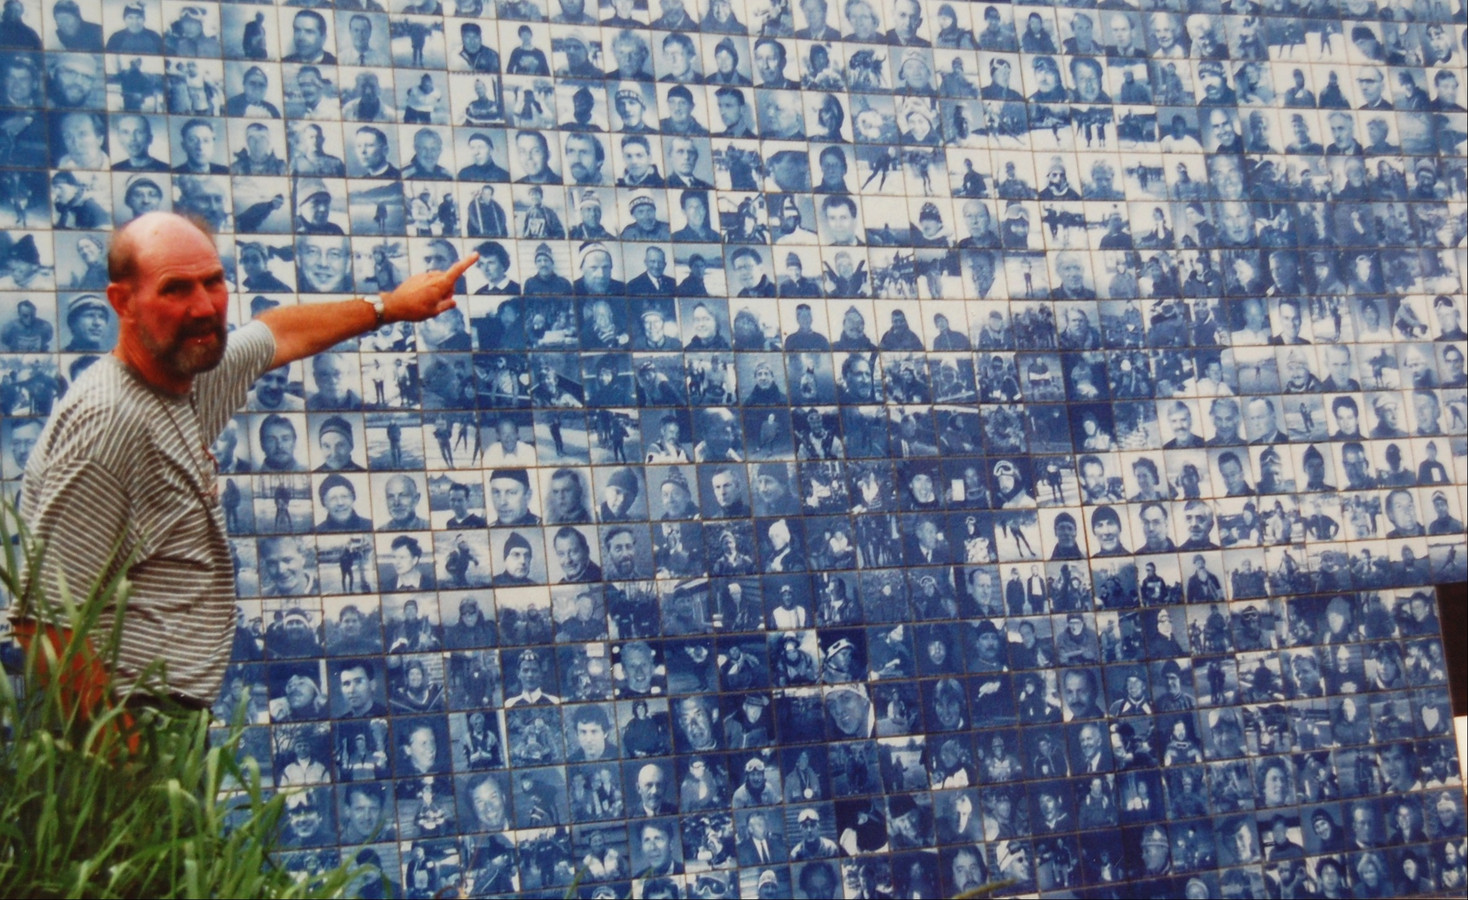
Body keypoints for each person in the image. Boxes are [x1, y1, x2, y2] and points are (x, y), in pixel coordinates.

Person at [13, 212, 476, 713]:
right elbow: (44, 625)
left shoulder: (183, 375)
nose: (203, 306)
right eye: (175, 289)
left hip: (165, 716)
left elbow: (276, 333)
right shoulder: (109, 422)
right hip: (122, 721)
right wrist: (119, 746)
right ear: (123, 302)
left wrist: (390, 306)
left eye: (213, 282)